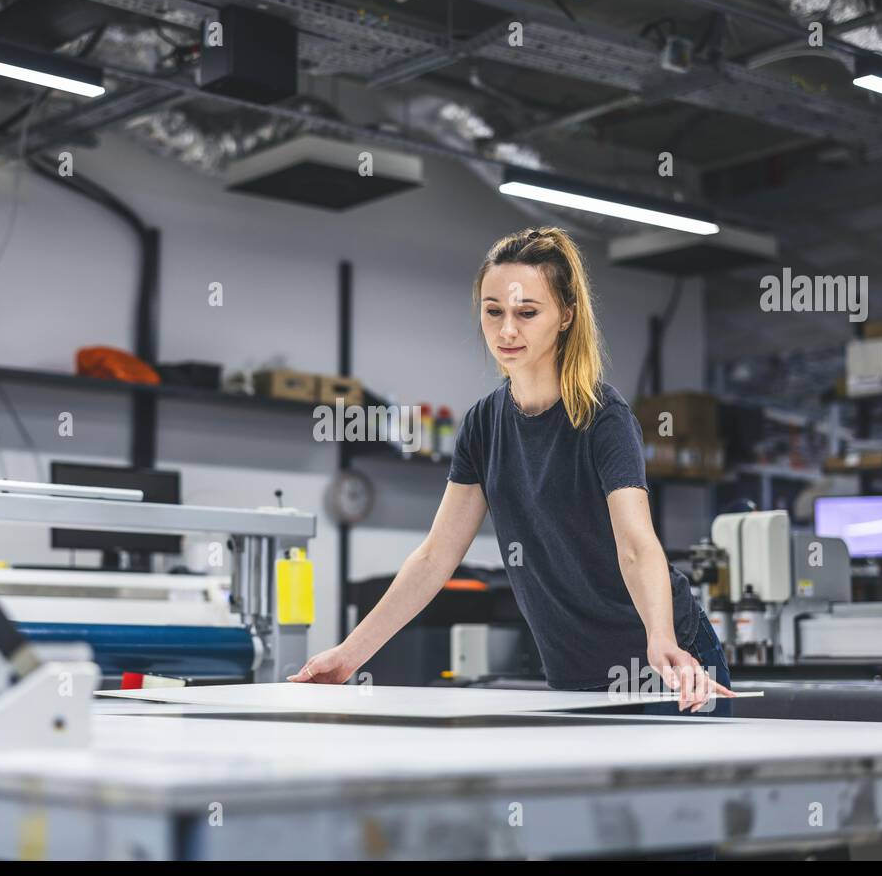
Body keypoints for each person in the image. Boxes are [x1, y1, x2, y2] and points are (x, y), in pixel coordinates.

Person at [290, 226, 736, 715]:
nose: (506, 331)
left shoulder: (602, 417)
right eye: (493, 311)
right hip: (574, 676)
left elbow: (635, 544)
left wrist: (662, 636)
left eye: (527, 313)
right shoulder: (483, 424)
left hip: (666, 667)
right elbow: (436, 556)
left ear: (566, 316)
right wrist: (348, 657)